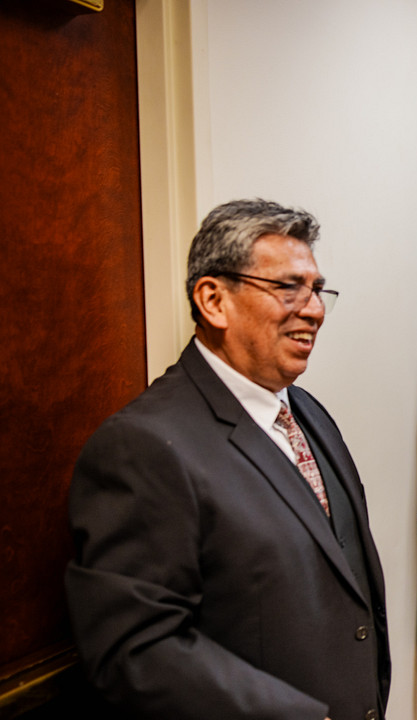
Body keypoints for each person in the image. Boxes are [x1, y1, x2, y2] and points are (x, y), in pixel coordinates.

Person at [65, 199, 390, 720]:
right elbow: (136, 650)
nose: (314, 309)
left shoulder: (307, 412)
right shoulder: (142, 447)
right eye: (288, 287)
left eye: (316, 288)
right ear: (214, 301)